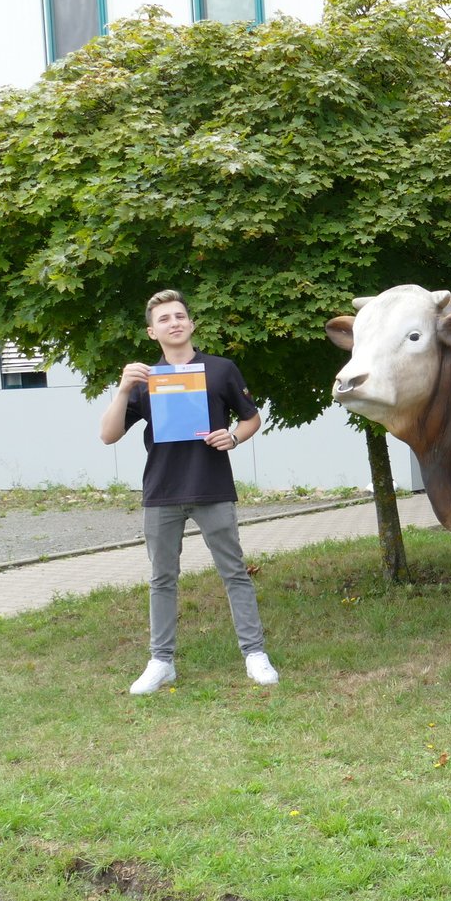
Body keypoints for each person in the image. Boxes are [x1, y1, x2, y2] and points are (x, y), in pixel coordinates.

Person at [99, 290, 278, 694]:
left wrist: (232, 438)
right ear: (152, 331)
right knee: (162, 578)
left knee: (234, 572)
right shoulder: (145, 380)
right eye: (165, 319)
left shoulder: (220, 370)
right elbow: (108, 435)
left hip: (212, 486)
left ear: (191, 324)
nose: (174, 323)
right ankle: (161, 662)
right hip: (162, 490)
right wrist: (124, 389)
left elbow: (252, 418)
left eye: (180, 316)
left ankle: (254, 654)